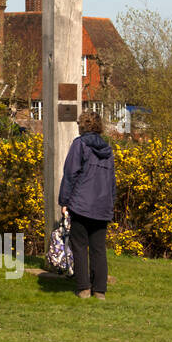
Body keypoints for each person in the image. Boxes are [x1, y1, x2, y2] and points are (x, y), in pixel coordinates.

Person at [57, 110, 116, 299]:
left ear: (82, 126)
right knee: (98, 248)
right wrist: (111, 204)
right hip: (102, 204)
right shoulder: (108, 150)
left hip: (81, 203)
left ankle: (83, 287)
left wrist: (64, 201)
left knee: (80, 245)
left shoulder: (79, 144)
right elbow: (112, 181)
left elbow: (71, 174)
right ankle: (100, 290)